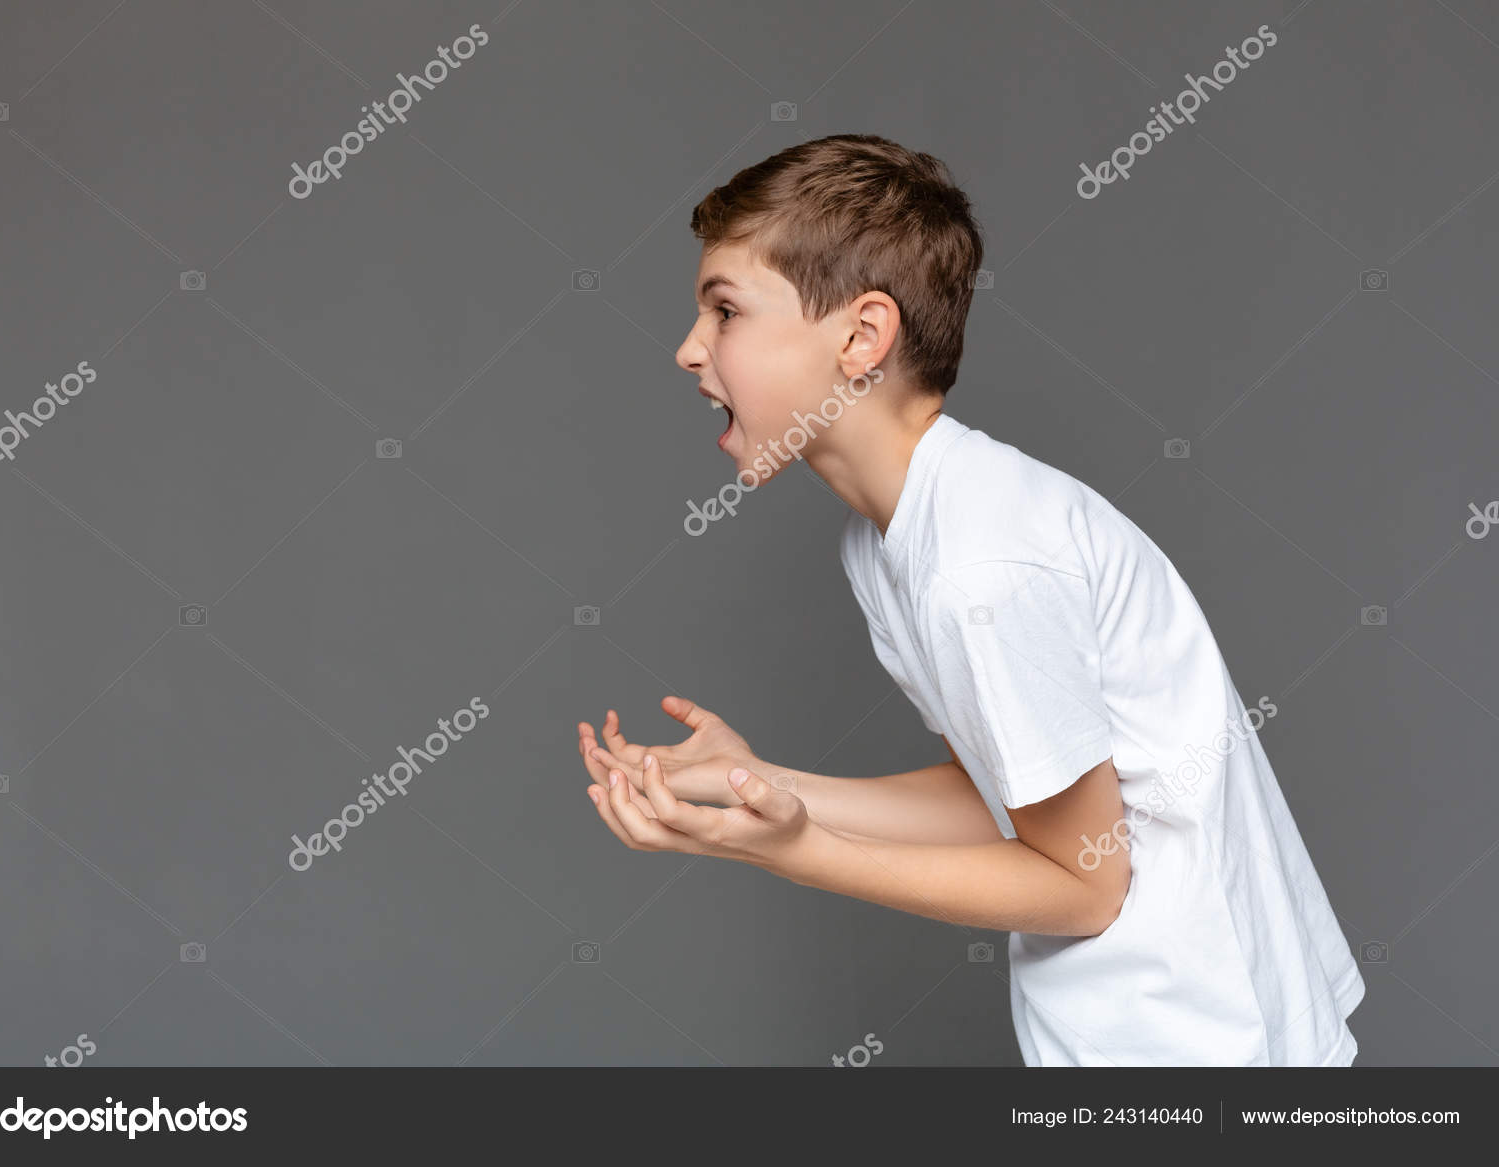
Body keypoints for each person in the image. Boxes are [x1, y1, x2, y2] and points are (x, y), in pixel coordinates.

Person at [577, 134, 1363, 1067]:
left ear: (862, 337)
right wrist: (767, 792)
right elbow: (999, 798)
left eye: (725, 310)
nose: (688, 349)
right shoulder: (891, 539)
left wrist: (789, 851)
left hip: (1203, 1046)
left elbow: (1083, 885)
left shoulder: (981, 562)